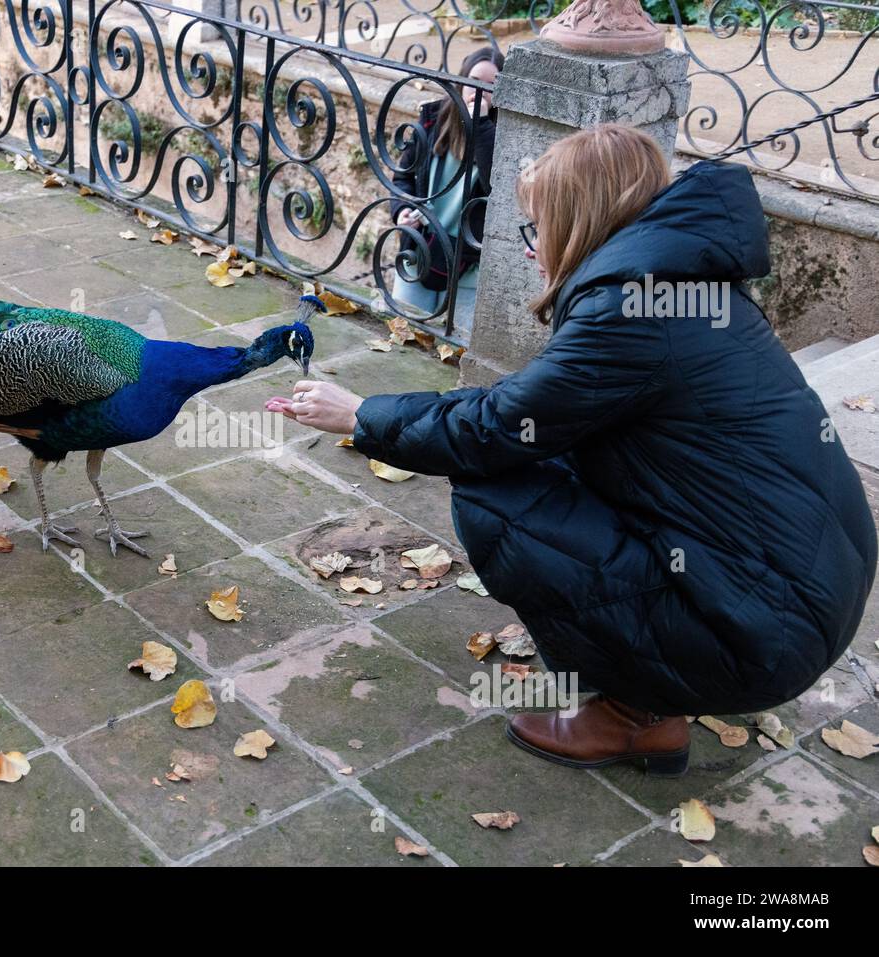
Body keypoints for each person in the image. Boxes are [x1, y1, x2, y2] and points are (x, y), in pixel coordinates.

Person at [276, 124, 876, 776]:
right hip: (807, 597)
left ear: (581, 220)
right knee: (546, 456)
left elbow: (494, 428)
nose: (532, 250)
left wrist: (361, 414)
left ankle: (638, 715)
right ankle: (667, 662)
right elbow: (540, 410)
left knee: (494, 495)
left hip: (762, 634)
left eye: (538, 226)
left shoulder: (629, 311)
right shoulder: (683, 281)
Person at [389, 47, 503, 325]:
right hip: (420, 251)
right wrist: (402, 210)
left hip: (469, 264)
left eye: (491, 86)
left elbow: (496, 187)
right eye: (474, 81)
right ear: (461, 81)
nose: (479, 91)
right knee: (403, 331)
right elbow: (402, 178)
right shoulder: (433, 120)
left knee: (455, 348)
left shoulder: (503, 135)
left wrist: (483, 126)